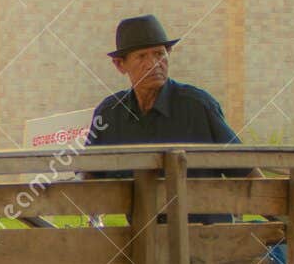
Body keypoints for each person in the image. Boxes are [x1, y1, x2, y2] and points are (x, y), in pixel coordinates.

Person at [84, 14, 240, 222]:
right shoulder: (110, 113)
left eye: (159, 54)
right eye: (142, 56)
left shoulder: (198, 106)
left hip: (206, 242)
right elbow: (89, 174)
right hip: (142, 245)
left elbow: (245, 171)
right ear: (120, 65)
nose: (153, 64)